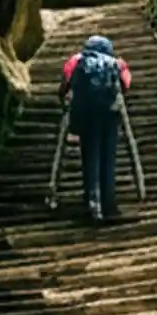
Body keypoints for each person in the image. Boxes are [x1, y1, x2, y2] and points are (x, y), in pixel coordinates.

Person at [57, 35, 133, 222]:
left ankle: (92, 202)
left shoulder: (75, 61)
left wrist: (66, 104)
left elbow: (64, 86)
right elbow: (126, 85)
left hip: (85, 115)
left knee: (90, 155)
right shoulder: (118, 63)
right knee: (108, 156)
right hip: (109, 115)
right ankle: (108, 202)